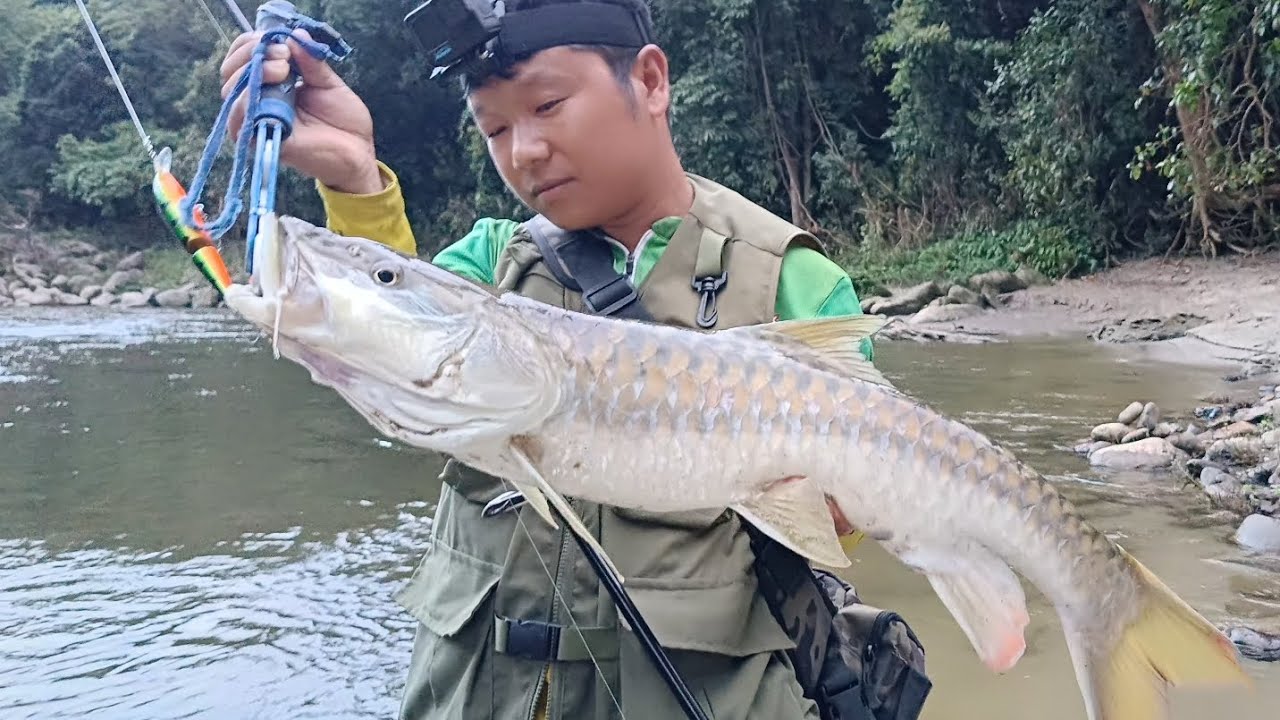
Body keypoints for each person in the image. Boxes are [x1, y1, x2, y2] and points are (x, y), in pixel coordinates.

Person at [216, 1, 892, 718]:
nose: (523, 150)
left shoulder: (795, 282)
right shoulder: (487, 266)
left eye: (548, 104)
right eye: (495, 127)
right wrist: (355, 180)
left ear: (652, 81)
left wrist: (843, 498)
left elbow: (840, 520)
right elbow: (392, 330)